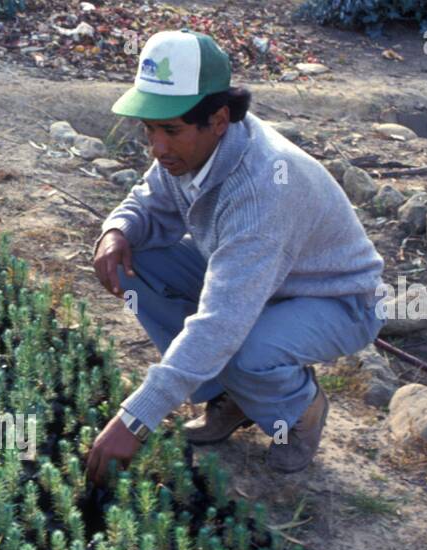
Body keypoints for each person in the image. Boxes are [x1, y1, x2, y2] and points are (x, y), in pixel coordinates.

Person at [84, 29, 386, 486]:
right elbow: (148, 201)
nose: (157, 147)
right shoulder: (189, 152)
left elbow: (221, 324)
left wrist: (135, 419)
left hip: (336, 301)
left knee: (242, 351)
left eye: (169, 130)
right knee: (135, 256)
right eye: (149, 129)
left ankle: (300, 412)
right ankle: (231, 397)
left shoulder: (262, 189)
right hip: (260, 282)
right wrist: (116, 230)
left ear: (219, 119)